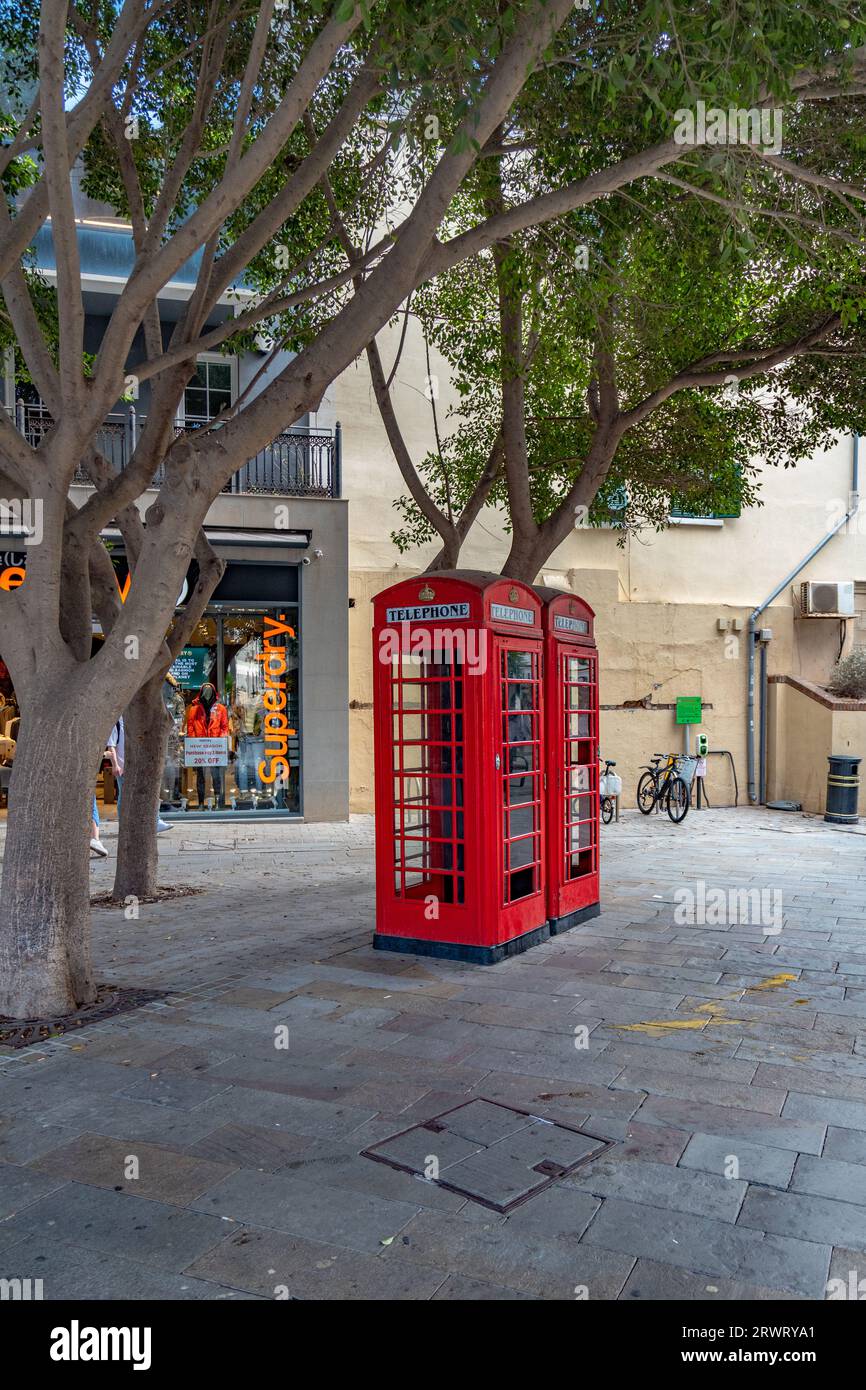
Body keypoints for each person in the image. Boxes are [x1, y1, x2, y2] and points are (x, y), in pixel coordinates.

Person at [185, 682, 229, 808]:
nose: (208, 693)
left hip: (215, 747)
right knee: (201, 776)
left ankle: (217, 801)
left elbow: (225, 728)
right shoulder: (194, 709)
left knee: (216, 775)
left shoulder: (221, 709)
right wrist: (195, 744)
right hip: (200, 747)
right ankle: (200, 803)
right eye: (206, 691)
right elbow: (190, 727)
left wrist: (219, 742)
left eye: (210, 691)